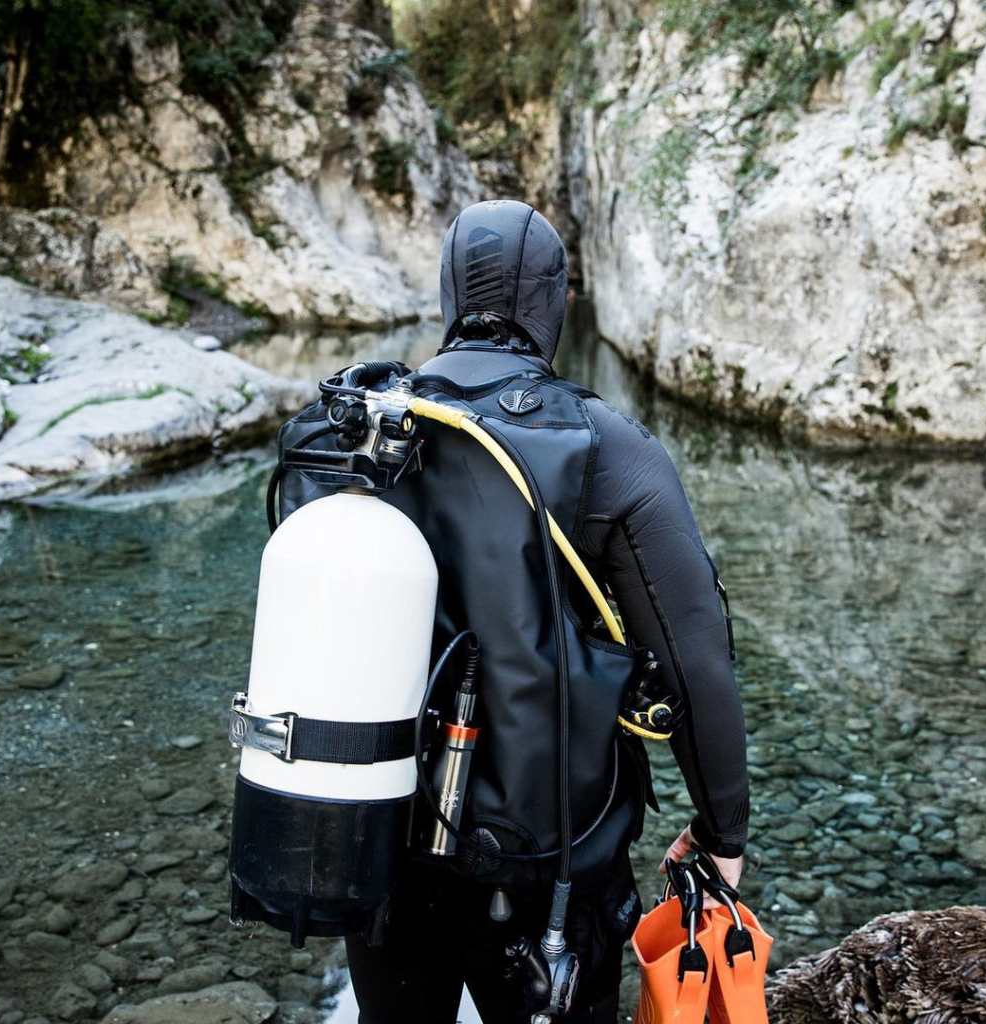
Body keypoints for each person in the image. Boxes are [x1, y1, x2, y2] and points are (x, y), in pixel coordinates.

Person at [342, 200, 749, 1023]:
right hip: (549, 875)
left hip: (377, 855)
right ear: (554, 300)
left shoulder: (365, 428)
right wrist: (721, 833)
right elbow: (694, 657)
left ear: (451, 294)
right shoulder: (603, 444)